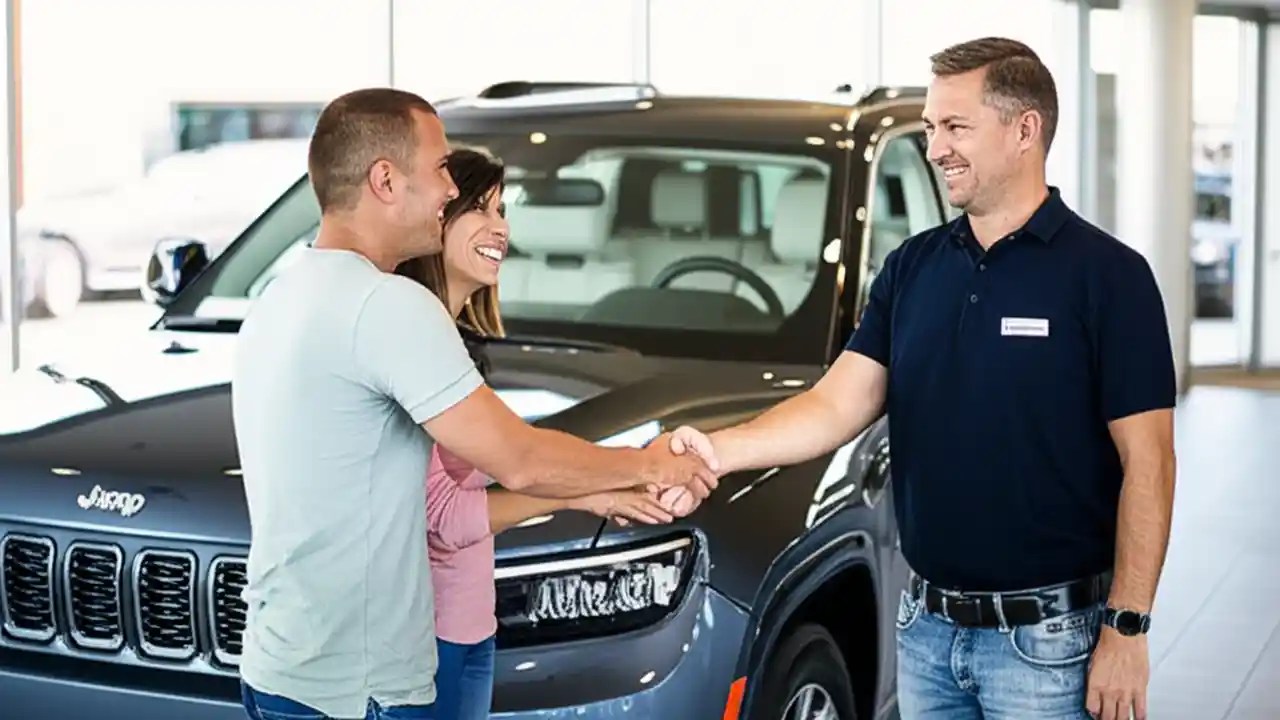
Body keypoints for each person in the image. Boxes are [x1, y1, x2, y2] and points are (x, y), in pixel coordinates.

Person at [668, 37, 1176, 720]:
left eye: (955, 127)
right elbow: (836, 402)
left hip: (1049, 646)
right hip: (927, 632)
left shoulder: (1110, 278)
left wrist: (1128, 628)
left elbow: (1150, 465)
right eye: (934, 128)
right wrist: (719, 450)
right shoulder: (912, 269)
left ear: (1025, 130)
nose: (936, 147)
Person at [231, 88, 716, 720]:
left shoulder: (278, 297)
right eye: (437, 169)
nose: (444, 191)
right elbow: (518, 458)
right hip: (362, 691)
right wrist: (649, 465)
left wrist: (593, 488)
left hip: (279, 668)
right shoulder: (388, 306)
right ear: (384, 180)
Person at [393, 148, 678, 720]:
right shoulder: (409, 343)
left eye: (503, 210)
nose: (501, 228)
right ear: (436, 219)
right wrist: (632, 471)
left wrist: (590, 489)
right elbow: (447, 516)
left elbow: (504, 460)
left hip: (470, 627)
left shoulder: (454, 343)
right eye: (479, 208)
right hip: (428, 643)